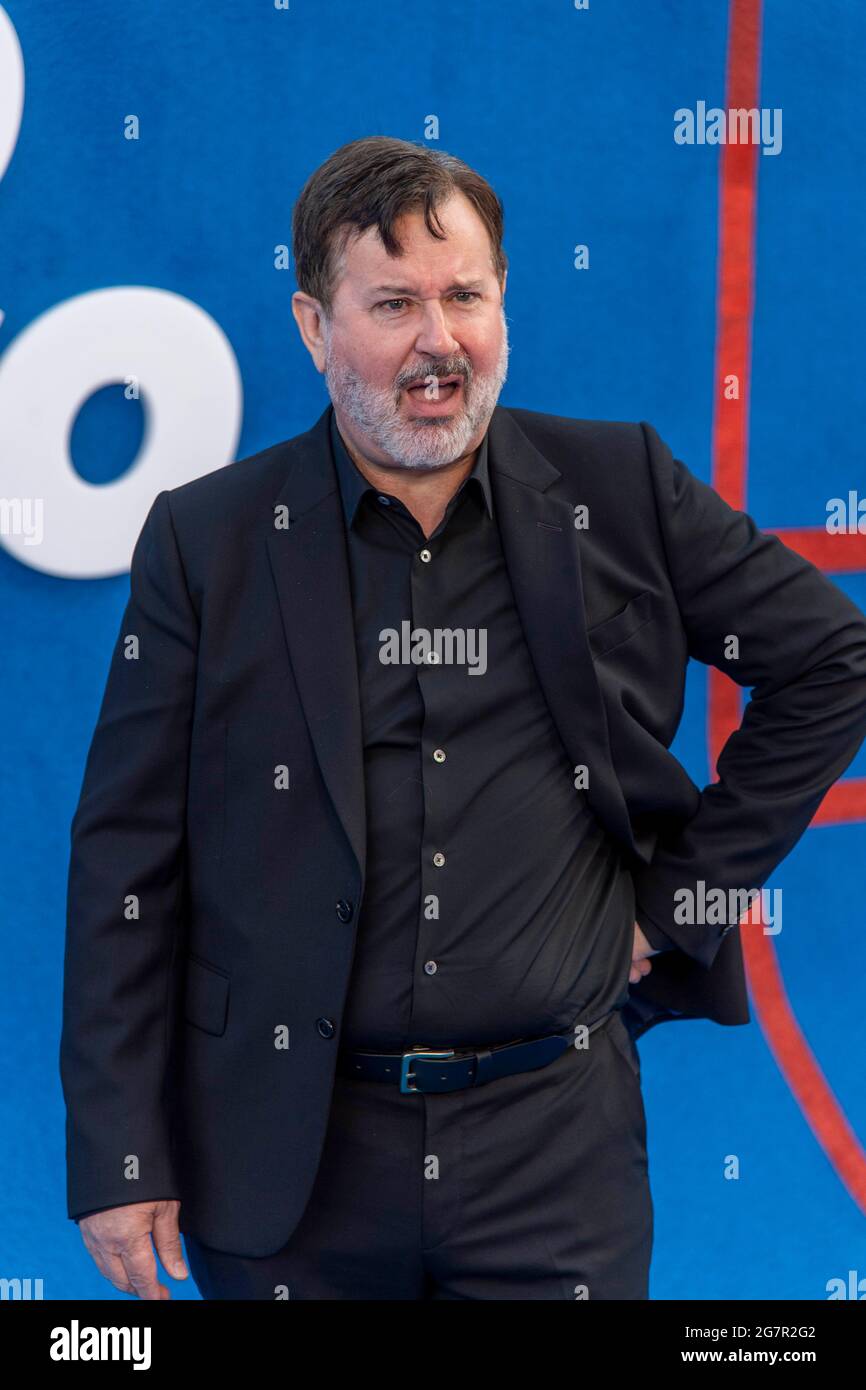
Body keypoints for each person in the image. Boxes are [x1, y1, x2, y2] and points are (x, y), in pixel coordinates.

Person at [60, 135, 866, 1300]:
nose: (438, 340)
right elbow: (125, 862)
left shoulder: (619, 489)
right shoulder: (207, 542)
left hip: (553, 1156)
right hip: (288, 1156)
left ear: (500, 303)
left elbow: (833, 661)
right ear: (311, 327)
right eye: (392, 303)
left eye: (463, 296)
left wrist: (672, 906)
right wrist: (121, 1152)